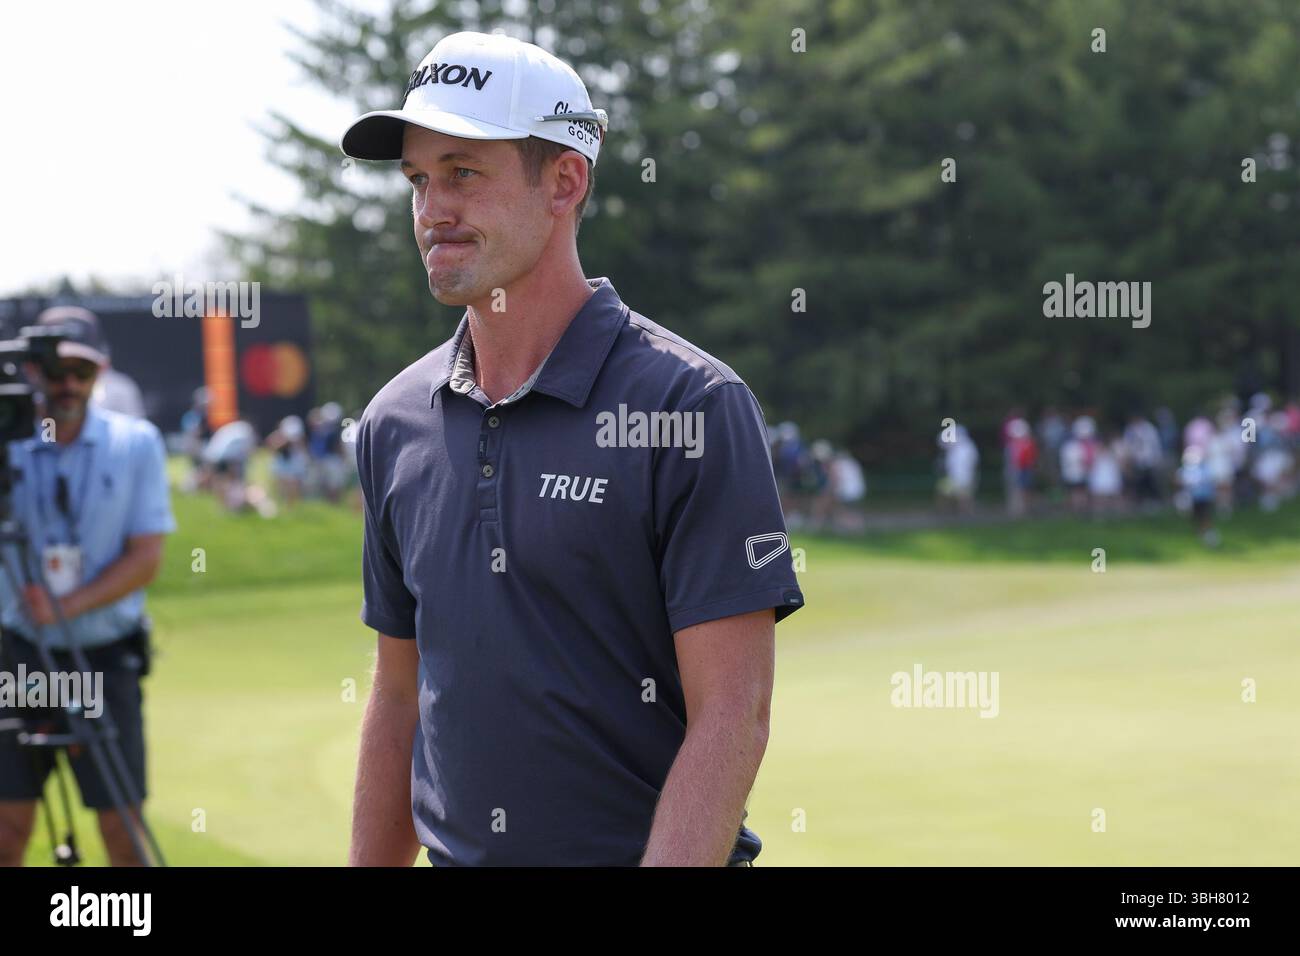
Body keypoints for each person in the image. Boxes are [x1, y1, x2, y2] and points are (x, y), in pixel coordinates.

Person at [341, 31, 804, 868]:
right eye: (417, 179)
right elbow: (399, 694)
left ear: (565, 181)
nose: (431, 209)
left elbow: (734, 714)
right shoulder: (392, 420)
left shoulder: (692, 405)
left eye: (463, 173)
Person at [0, 306, 175, 866]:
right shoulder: (8, 439)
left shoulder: (136, 443)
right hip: (18, 659)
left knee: (122, 828)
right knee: (7, 826)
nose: (68, 384)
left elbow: (146, 557)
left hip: (104, 657)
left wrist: (65, 605)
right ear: (31, 372)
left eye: (82, 370)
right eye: (54, 372)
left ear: (101, 370)